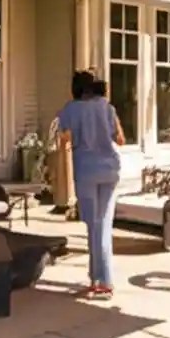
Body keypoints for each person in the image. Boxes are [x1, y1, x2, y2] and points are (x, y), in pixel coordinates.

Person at [56, 70, 123, 299]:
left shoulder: (71, 109)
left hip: (86, 170)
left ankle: (100, 280)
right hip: (110, 170)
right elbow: (120, 139)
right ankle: (101, 278)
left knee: (94, 225)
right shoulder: (107, 107)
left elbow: (64, 137)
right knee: (104, 224)